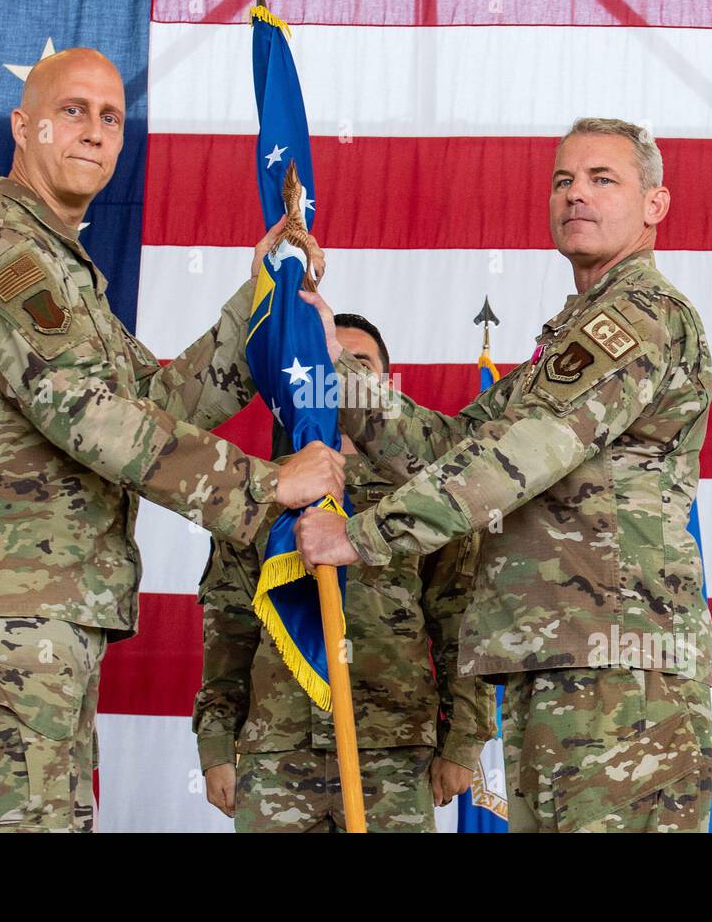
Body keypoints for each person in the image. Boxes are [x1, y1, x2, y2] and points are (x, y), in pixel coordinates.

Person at [0, 47, 343, 832]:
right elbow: (86, 413)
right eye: (73, 110)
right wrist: (264, 486)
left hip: (45, 612)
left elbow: (158, 401)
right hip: (2, 612)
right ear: (23, 125)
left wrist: (261, 300)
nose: (96, 132)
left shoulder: (66, 273)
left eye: (111, 117)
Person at [295, 118, 712, 832]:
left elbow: (520, 455)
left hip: (615, 669)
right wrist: (334, 365)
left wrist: (362, 536)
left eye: (601, 179)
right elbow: (450, 443)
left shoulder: (641, 317)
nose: (576, 194)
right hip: (557, 660)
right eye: (563, 180)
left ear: (655, 205)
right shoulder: (573, 336)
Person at [193, 315, 496, 832]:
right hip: (276, 750)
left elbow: (460, 624)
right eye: (325, 368)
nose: (337, 381)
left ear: (380, 386)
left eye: (357, 367)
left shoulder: (426, 499)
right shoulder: (264, 493)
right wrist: (216, 742)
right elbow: (230, 625)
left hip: (393, 747)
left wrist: (464, 740)